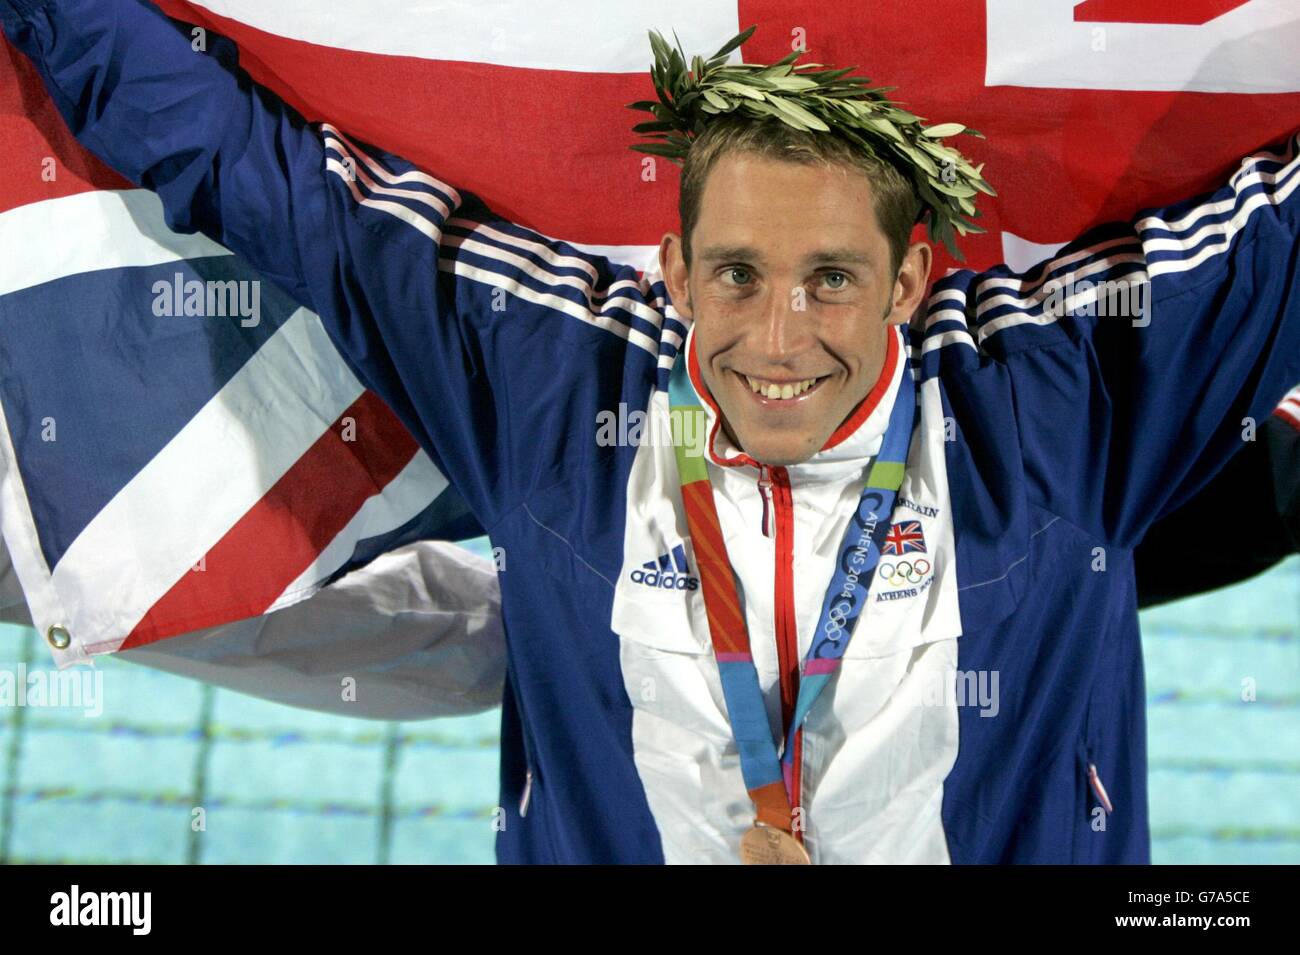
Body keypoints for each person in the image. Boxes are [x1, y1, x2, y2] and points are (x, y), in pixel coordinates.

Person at [2, 0, 1298, 864]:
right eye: (737, 275)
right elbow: (250, 167)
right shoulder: (557, 383)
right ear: (674, 271)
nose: (778, 340)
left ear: (911, 279)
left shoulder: (1053, 409)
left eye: (831, 281)